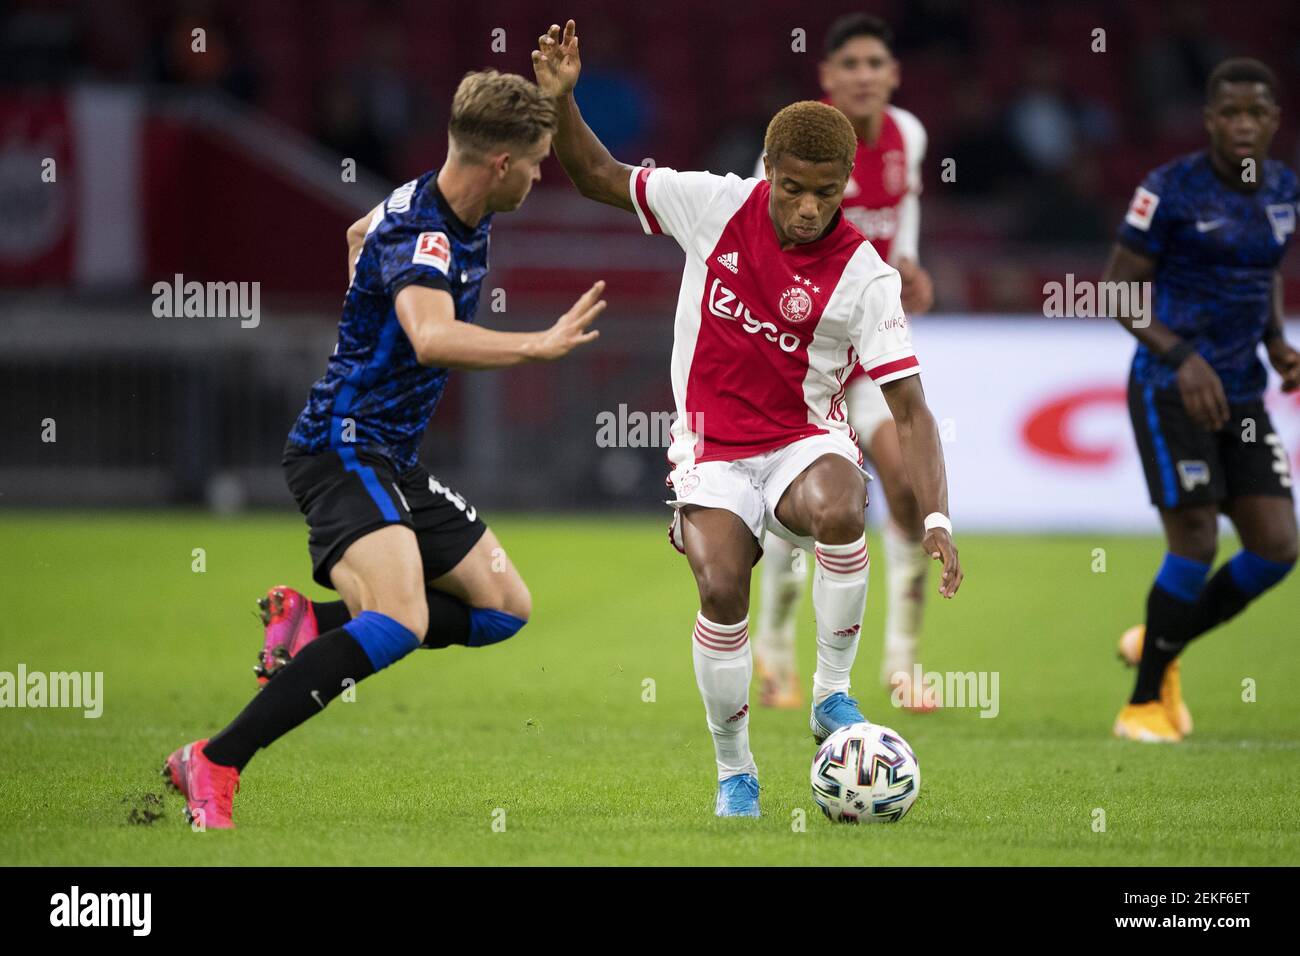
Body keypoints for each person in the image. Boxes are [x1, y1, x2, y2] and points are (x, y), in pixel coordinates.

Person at [533, 20, 962, 817]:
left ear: (846, 184)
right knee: (722, 584)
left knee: (842, 503)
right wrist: (562, 104)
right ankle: (736, 770)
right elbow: (596, 174)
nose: (807, 206)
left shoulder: (864, 278)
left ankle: (832, 695)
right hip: (710, 450)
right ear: (769, 169)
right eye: (793, 186)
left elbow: (910, 407)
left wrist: (935, 513)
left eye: (826, 192)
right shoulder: (713, 205)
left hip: (804, 438)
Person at [161, 70, 607, 827]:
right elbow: (431, 338)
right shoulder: (423, 232)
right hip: (342, 447)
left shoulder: (434, 203)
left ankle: (311, 621)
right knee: (401, 622)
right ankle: (215, 760)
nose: (540, 173)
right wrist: (536, 344)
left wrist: (364, 328)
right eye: (535, 160)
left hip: (390, 455)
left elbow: (354, 234)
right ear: (499, 163)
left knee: (503, 608)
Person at [1107, 58, 1299, 743]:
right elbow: (1117, 291)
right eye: (1231, 113)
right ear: (1211, 120)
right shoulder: (1169, 191)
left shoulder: (1282, 190)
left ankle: (1159, 639)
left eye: (1258, 113)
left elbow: (1265, 272)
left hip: (1242, 393)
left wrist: (1276, 342)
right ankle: (1143, 704)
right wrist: (1181, 358)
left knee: (1277, 548)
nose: (1244, 125)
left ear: (1274, 121)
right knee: (1195, 538)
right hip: (1170, 390)